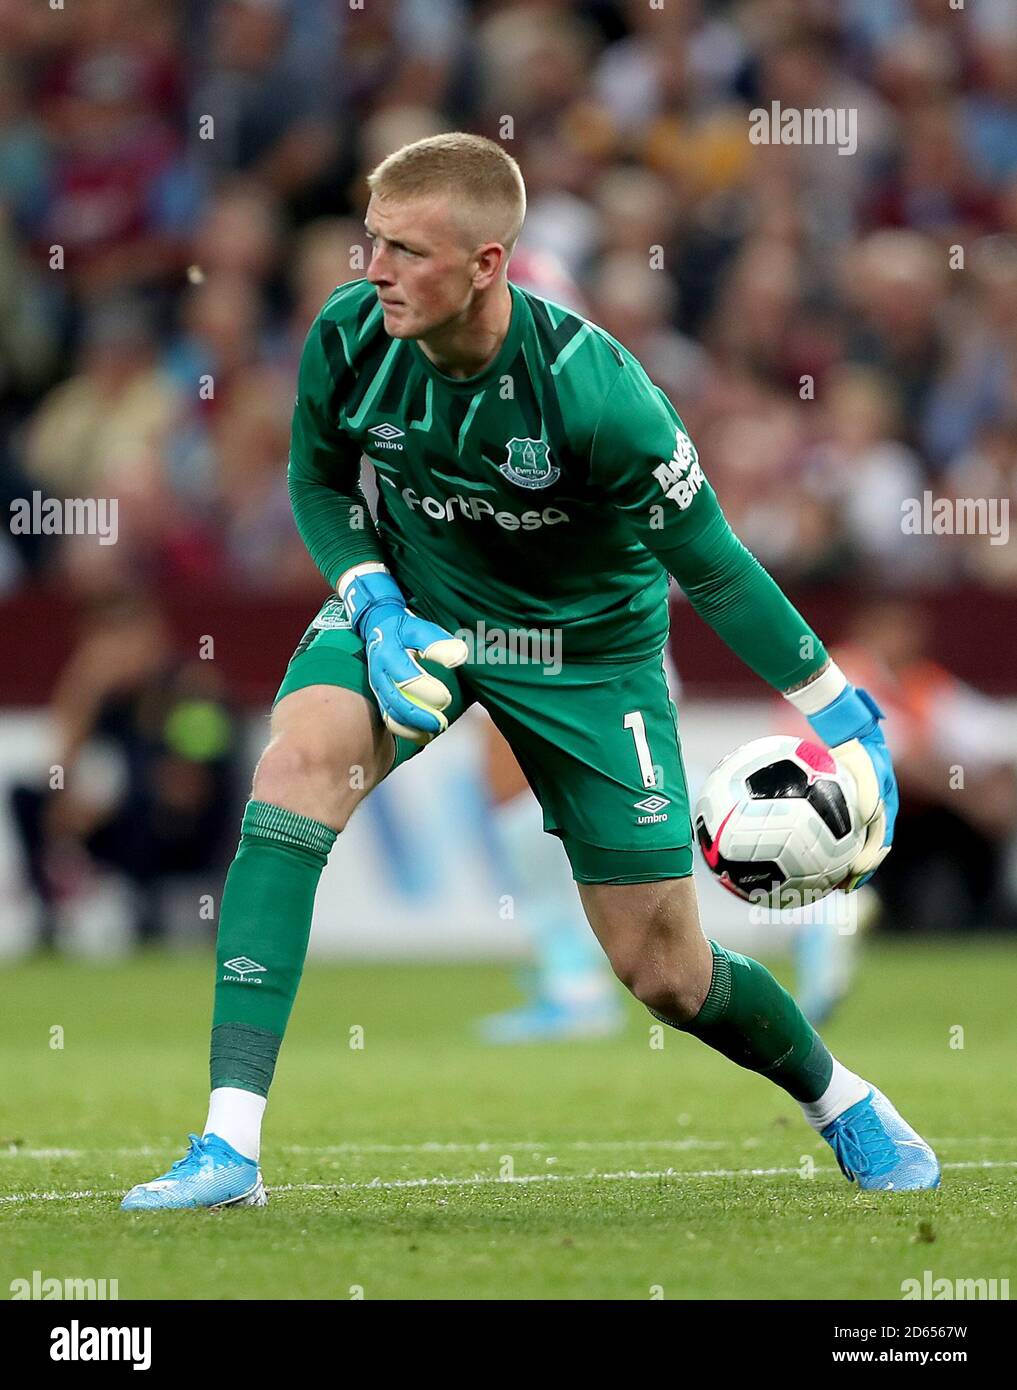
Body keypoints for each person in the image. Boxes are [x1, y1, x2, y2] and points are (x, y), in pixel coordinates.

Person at [122, 133, 937, 1210]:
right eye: (372, 242)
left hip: (585, 652)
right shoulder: (351, 334)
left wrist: (840, 706)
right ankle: (229, 1147)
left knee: (665, 973)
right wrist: (369, 600)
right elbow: (317, 480)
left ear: (488, 263)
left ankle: (841, 1099)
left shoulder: (600, 397)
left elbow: (721, 569)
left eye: (407, 251)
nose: (376, 271)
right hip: (415, 607)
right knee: (297, 768)